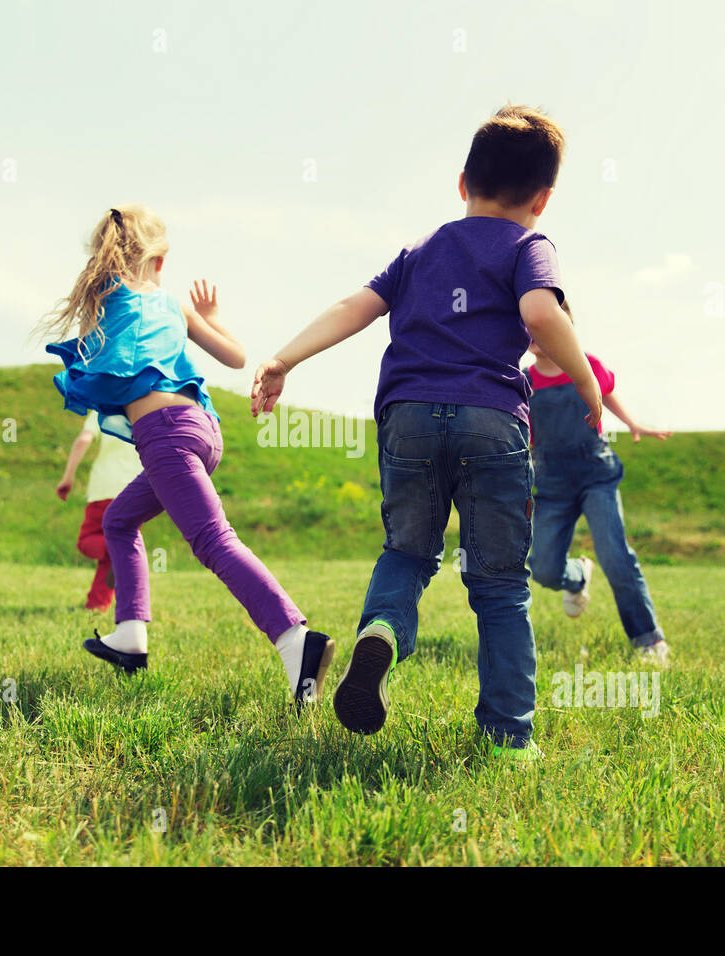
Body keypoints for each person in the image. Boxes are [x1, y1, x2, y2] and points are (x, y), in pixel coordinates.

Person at [251, 106, 600, 756]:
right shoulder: (530, 247)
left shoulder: (423, 250)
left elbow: (354, 307)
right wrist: (586, 383)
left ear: (463, 182)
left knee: (407, 554)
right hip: (491, 421)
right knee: (499, 582)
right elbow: (538, 311)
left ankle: (381, 630)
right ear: (544, 199)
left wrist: (284, 358)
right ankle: (507, 737)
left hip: (408, 415)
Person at [40, 204, 334, 704]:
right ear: (156, 259)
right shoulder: (176, 305)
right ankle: (130, 636)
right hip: (201, 429)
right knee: (119, 521)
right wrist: (214, 319)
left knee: (213, 541)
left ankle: (293, 638)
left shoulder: (110, 294)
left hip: (164, 436)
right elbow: (236, 357)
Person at [526, 299, 673, 663]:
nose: (537, 334)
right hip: (551, 483)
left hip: (595, 475)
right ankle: (577, 575)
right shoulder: (523, 382)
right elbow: (526, 435)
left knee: (616, 556)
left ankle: (649, 641)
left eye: (547, 327)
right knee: (542, 568)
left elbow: (605, 394)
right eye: (530, 327)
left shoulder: (586, 365)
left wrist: (633, 422)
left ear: (565, 328)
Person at [55, 416, 142, 611]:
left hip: (105, 488)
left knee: (86, 540)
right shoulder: (144, 404)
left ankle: (125, 550)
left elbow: (84, 440)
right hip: (136, 491)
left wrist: (68, 477)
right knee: (114, 554)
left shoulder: (102, 403)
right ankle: (98, 603)